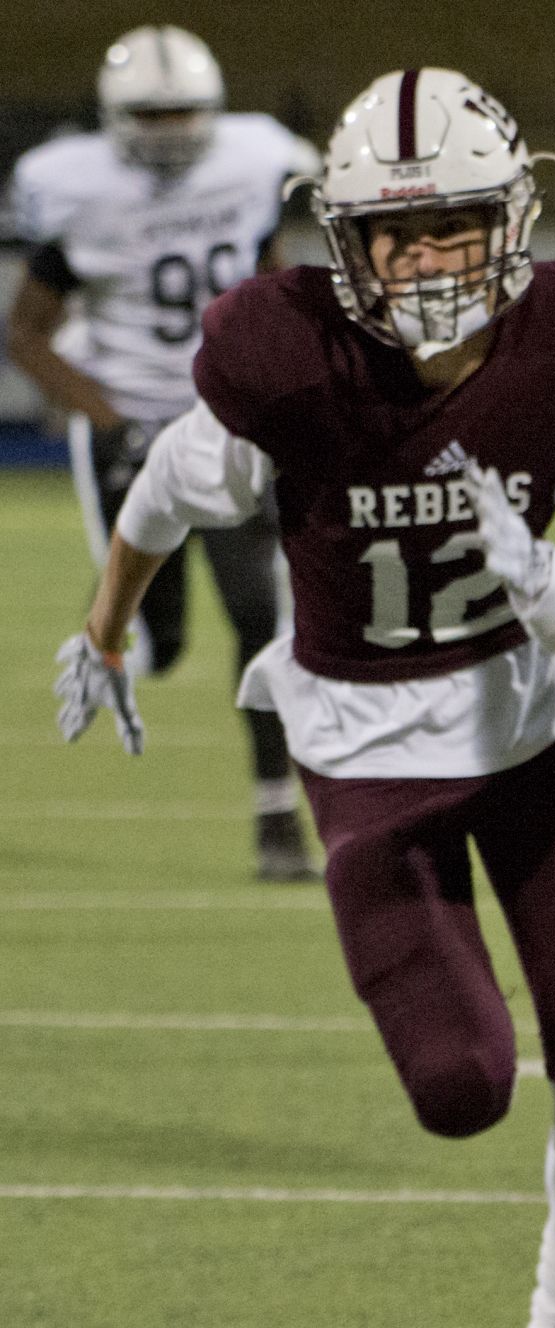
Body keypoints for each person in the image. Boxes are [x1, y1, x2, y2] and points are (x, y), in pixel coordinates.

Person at [56, 68, 555, 1328]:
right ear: (347, 244)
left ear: (511, 224)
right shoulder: (291, 366)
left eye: (454, 226)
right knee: (461, 1087)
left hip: (537, 730)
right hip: (362, 748)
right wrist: (104, 628)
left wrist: (547, 586)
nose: (428, 260)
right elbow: (164, 489)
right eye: (396, 234)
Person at [8, 25, 321, 880]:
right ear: (115, 115)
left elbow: (273, 283)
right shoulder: (76, 191)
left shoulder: (250, 163)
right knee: (166, 642)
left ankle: (277, 820)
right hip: (131, 427)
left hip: (226, 421)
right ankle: (116, 614)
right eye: (151, 113)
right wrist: (109, 421)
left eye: (182, 110)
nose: (170, 128)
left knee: (261, 614)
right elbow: (26, 333)